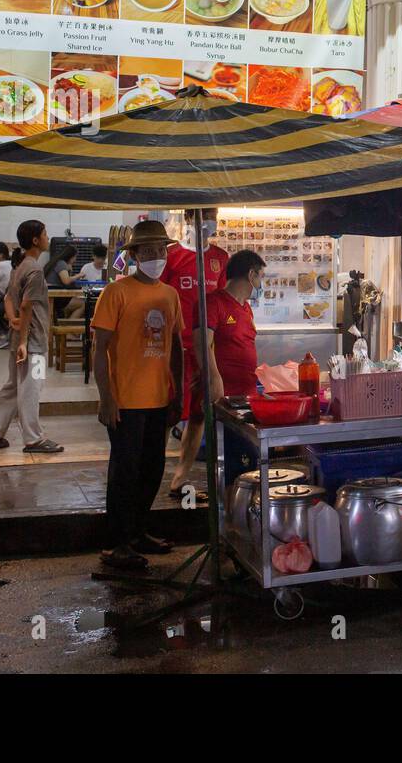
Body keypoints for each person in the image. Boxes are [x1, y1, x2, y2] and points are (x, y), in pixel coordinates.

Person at [92, 219, 184, 570]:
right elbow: (99, 350)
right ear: (133, 255)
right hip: (125, 401)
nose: (156, 256)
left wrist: (176, 394)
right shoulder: (116, 292)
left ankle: (137, 532)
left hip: (159, 398)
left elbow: (176, 347)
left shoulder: (170, 294)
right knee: (124, 473)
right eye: (148, 251)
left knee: (152, 470)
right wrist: (106, 397)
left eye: (161, 250)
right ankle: (115, 543)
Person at [161, 210, 229, 501]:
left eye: (212, 214)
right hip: (173, 349)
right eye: (202, 214)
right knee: (168, 413)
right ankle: (150, 474)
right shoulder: (171, 256)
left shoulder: (220, 258)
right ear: (188, 217)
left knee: (199, 415)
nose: (208, 220)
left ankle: (180, 478)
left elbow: (223, 301)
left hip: (206, 350)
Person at [0, 221, 63, 455]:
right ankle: (33, 439)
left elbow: (8, 298)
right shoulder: (35, 270)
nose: (48, 237)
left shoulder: (19, 266)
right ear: (36, 240)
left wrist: (12, 321)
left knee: (13, 387)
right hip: (33, 343)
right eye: (45, 234)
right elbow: (27, 306)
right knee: (32, 387)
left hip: (21, 337)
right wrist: (24, 342)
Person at [193, 249, 263, 414]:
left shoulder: (246, 308)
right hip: (222, 397)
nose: (261, 284)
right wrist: (214, 380)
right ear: (251, 275)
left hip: (246, 395)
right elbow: (202, 343)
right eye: (261, 277)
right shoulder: (212, 303)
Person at [44, 245, 84, 321]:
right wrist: (79, 275)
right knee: (83, 304)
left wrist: (70, 270)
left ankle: (64, 327)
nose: (75, 260)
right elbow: (66, 281)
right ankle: (69, 330)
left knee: (72, 304)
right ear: (70, 256)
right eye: (75, 257)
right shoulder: (61, 263)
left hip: (51, 296)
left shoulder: (55, 262)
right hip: (55, 297)